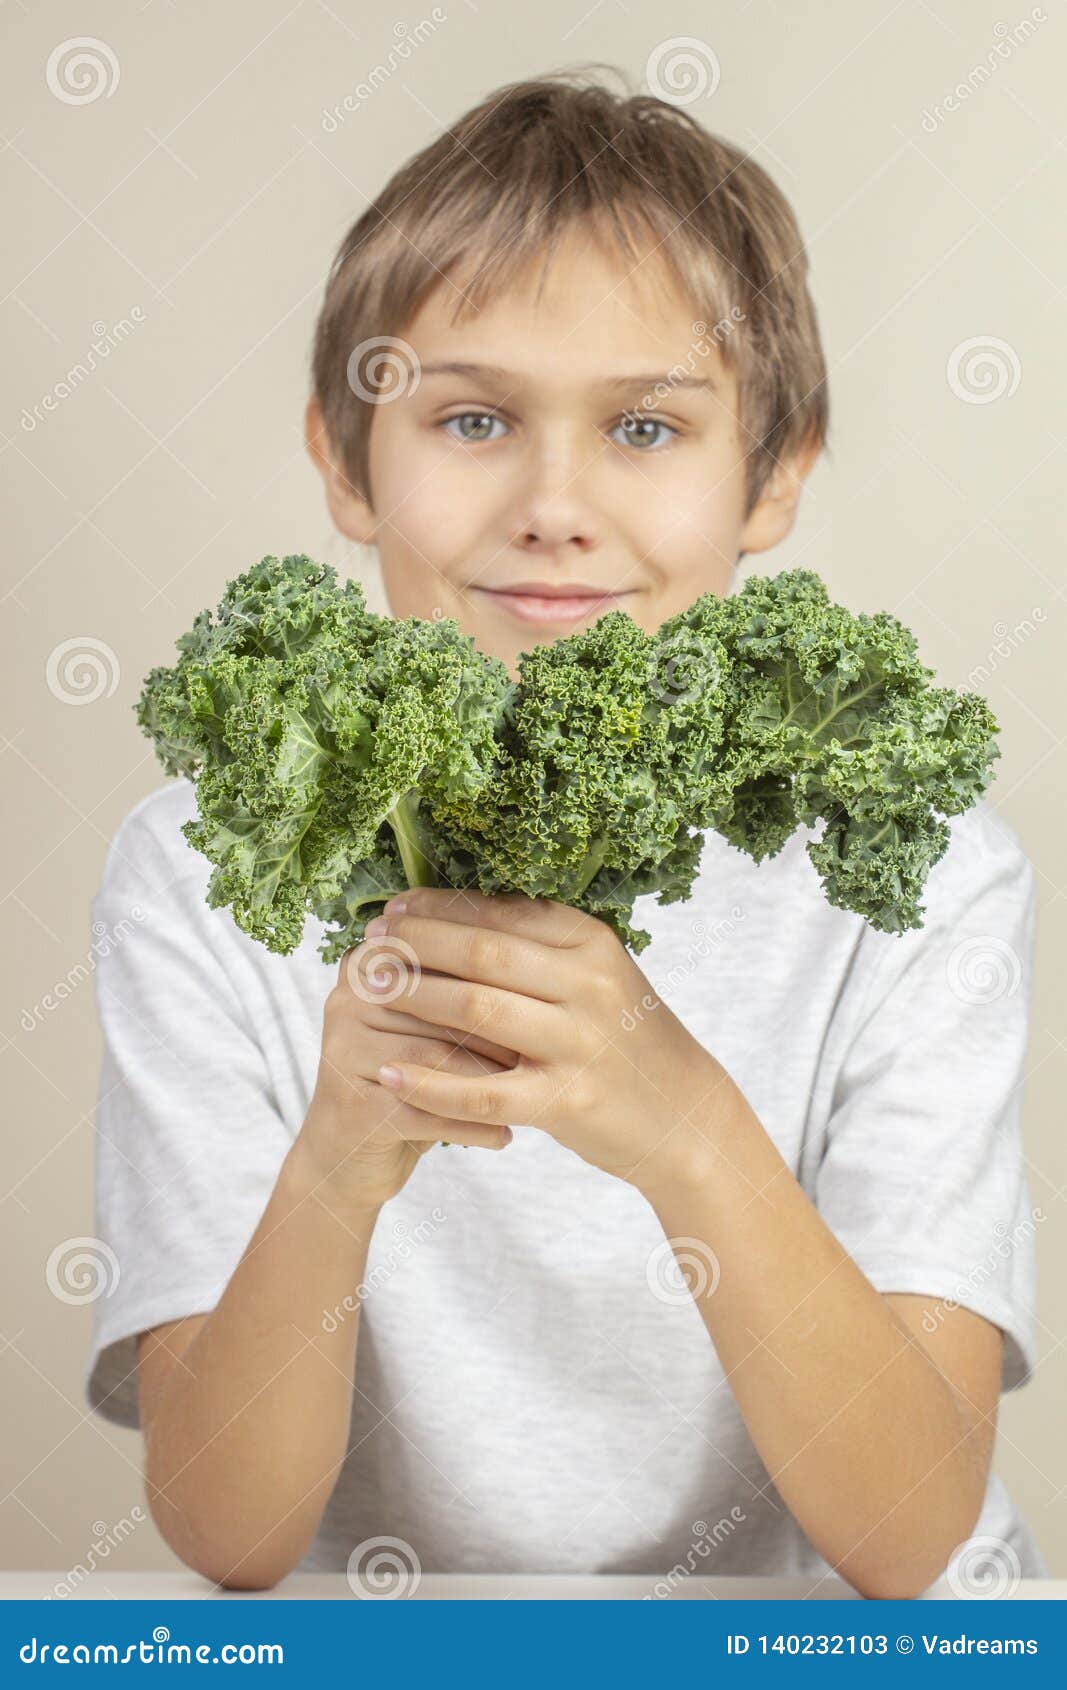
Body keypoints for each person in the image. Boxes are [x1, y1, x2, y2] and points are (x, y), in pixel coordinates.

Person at [84, 68, 1046, 1596]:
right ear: (346, 462)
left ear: (774, 476)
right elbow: (226, 1530)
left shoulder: (910, 864)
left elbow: (913, 1531)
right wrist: (341, 1154)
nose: (555, 503)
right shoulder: (220, 861)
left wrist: (684, 1126)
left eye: (648, 429)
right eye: (472, 418)